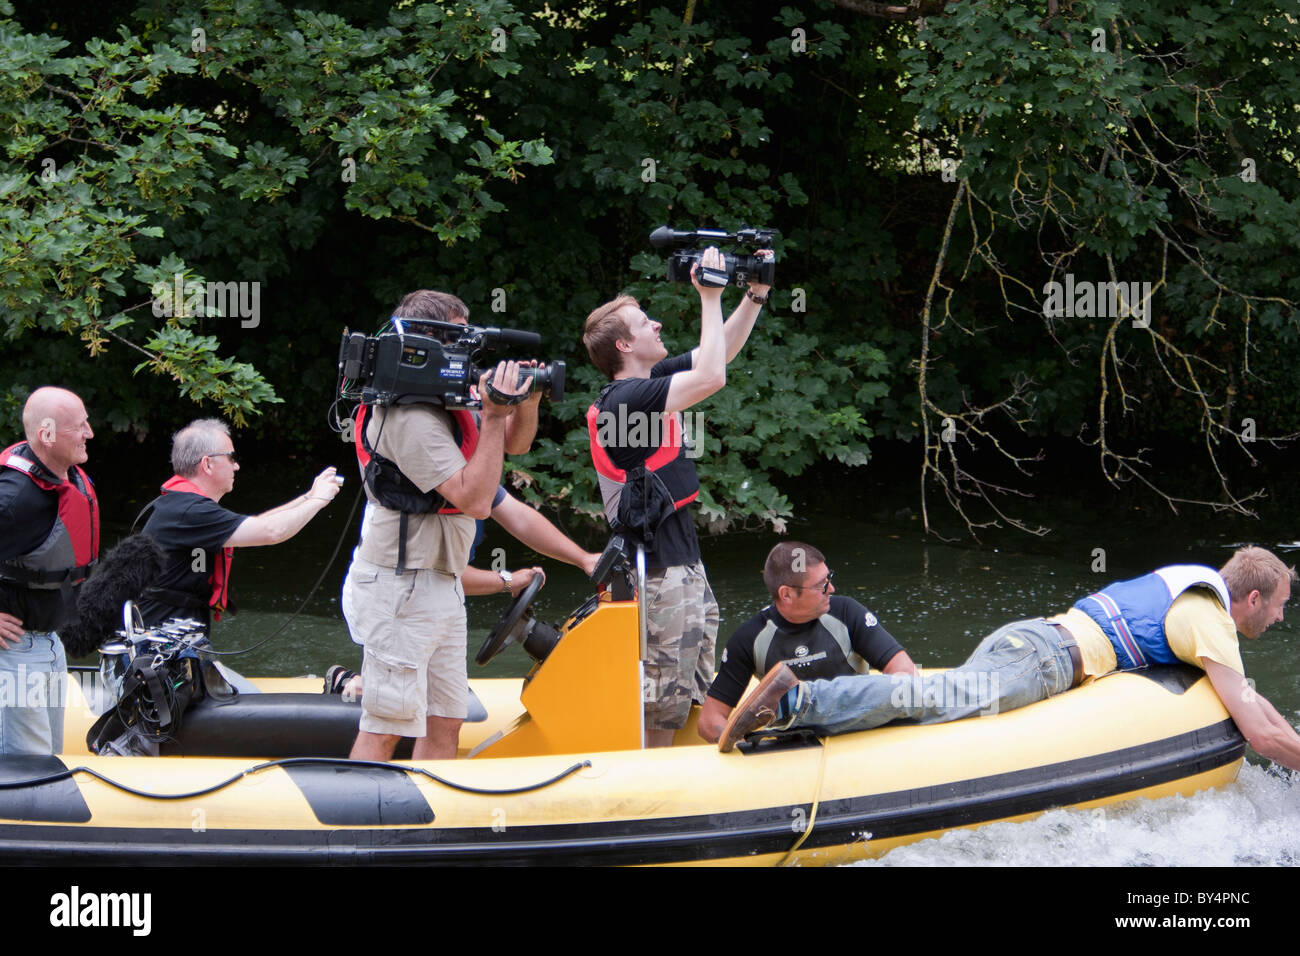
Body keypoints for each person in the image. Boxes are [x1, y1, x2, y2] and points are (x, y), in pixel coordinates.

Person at [720, 547, 1300, 773]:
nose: (1277, 620)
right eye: (1278, 608)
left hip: (1033, 640)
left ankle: (803, 705)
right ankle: (796, 701)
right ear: (1251, 597)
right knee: (931, 698)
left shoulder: (1191, 581)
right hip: (1045, 661)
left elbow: (1257, 703)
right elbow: (1260, 730)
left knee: (931, 710)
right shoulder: (1210, 619)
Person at [583, 246, 771, 746]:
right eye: (645, 323)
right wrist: (709, 295)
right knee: (663, 705)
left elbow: (719, 353)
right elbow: (712, 376)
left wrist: (753, 294)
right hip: (656, 570)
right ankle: (654, 789)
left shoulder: (649, 384)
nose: (657, 326)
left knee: (693, 684)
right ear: (624, 346)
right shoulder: (623, 400)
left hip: (681, 561)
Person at [345, 289, 532, 762]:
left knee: (446, 720)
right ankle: (359, 828)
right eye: (458, 336)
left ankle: (433, 828)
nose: (467, 350)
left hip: (440, 583)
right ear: (428, 339)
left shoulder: (442, 400)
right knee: (387, 725)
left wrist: (523, 399)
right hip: (401, 587)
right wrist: (492, 413)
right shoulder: (408, 416)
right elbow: (474, 498)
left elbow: (518, 445)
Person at [697, 541, 918, 743]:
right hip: (792, 745)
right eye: (821, 584)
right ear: (787, 595)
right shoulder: (750, 637)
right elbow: (709, 721)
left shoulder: (847, 613)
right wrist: (748, 745)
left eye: (829, 578)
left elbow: (904, 671)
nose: (831, 589)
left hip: (855, 733)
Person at [135, 418, 342, 629]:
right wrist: (319, 500)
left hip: (169, 635)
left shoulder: (182, 504)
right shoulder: (191, 511)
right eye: (230, 457)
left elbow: (259, 524)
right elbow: (272, 531)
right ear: (207, 464)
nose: (237, 465)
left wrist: (308, 497)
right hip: (159, 644)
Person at [0, 387, 98, 754]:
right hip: (14, 651)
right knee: (30, 776)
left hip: (49, 644)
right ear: (46, 435)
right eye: (80, 426)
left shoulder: (67, 477)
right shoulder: (14, 500)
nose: (89, 432)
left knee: (50, 762)